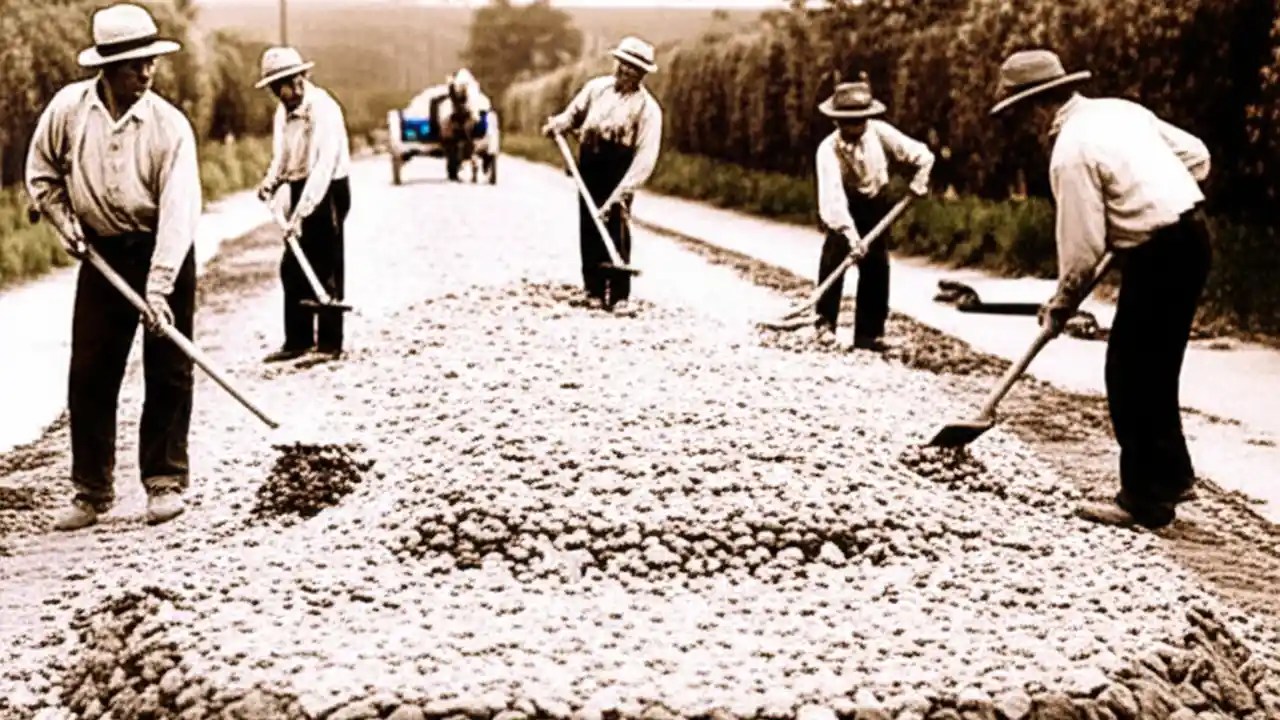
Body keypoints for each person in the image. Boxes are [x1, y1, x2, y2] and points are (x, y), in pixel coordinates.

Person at [990, 49, 1213, 530]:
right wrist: (1152, 191)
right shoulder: (1120, 110)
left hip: (1161, 252)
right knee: (1155, 368)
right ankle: (1170, 477)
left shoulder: (1070, 153)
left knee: (1129, 372)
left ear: (1036, 107)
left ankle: (1144, 501)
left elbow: (1083, 250)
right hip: (1193, 237)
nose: (1023, 127)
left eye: (1019, 115)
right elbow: (1198, 156)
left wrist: (1060, 305)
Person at [25, 2, 201, 530]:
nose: (146, 73)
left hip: (161, 247)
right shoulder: (68, 111)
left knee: (168, 367)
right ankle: (90, 491)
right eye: (133, 65)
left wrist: (161, 286)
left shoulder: (169, 127)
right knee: (90, 372)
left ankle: (164, 481)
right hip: (101, 254)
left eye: (151, 62)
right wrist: (63, 222)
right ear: (106, 68)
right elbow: (42, 176)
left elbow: (179, 210)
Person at [541, 36, 663, 315]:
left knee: (616, 225)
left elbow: (645, 157)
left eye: (633, 68)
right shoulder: (596, 89)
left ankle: (619, 294)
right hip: (589, 167)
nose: (625, 71)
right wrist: (557, 125)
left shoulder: (648, 110)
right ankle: (594, 290)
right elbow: (571, 116)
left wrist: (623, 191)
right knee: (589, 225)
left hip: (619, 172)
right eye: (623, 64)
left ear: (643, 74)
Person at [813, 77, 933, 351]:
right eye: (848, 121)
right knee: (835, 256)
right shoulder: (827, 150)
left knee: (877, 265)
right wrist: (850, 235)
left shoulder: (880, 133)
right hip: (844, 205)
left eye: (860, 120)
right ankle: (824, 323)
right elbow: (833, 196)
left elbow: (922, 155)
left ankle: (869, 333)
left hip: (877, 203)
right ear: (836, 121)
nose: (855, 127)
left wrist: (919, 181)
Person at [255, 46, 352, 363]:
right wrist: (271, 181)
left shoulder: (324, 109)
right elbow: (282, 156)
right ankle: (297, 340)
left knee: (326, 264)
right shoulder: (282, 113)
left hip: (329, 189)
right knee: (292, 268)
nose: (293, 90)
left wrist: (302, 214)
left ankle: (329, 344)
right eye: (284, 86)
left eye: (297, 82)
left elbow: (323, 167)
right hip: (300, 186)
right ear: (274, 90)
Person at [439, 68, 491, 182]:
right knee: (457, 144)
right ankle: (465, 166)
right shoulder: (458, 94)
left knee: (464, 143)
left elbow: (475, 107)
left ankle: (467, 165)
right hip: (462, 121)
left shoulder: (472, 94)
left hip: (468, 121)